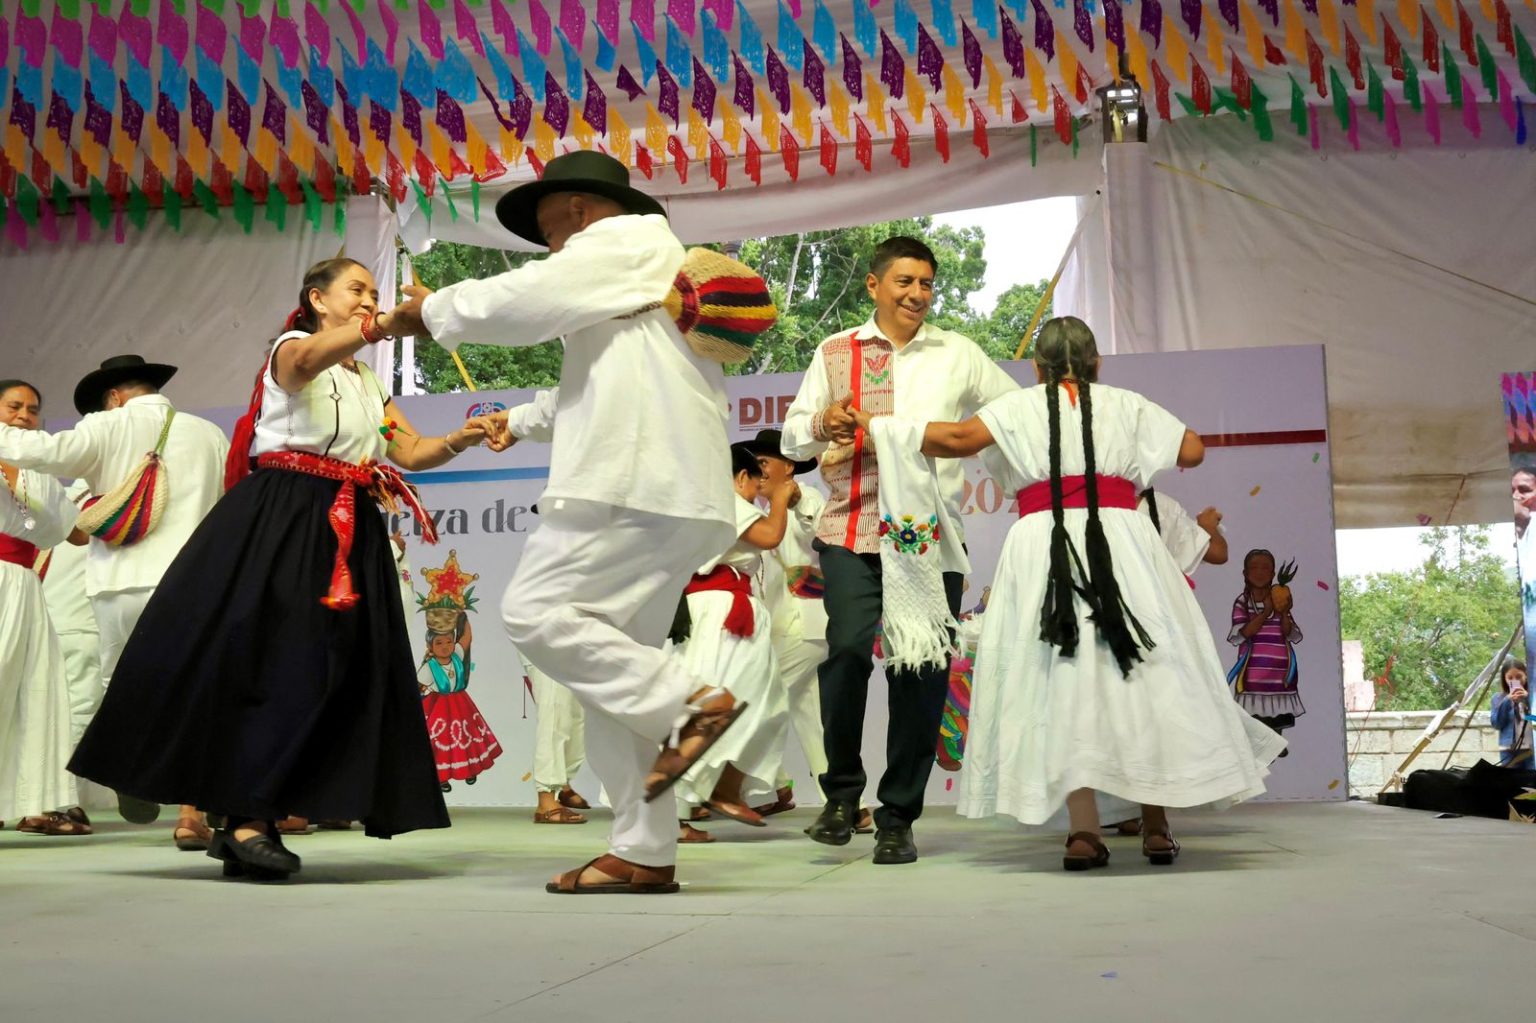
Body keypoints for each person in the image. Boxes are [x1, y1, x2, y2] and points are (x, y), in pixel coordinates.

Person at [386, 151, 747, 895]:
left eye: (548, 223)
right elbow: (593, 387)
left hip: (632, 480)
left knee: (536, 610)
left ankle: (690, 703)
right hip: (666, 484)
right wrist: (515, 421)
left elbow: (528, 297)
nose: (545, 241)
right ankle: (645, 848)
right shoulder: (637, 286)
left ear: (578, 208)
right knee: (612, 671)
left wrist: (429, 312)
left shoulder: (627, 241)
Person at [69, 257, 473, 882]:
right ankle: (246, 818)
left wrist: (466, 436)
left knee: (338, 668)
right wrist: (388, 324)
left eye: (374, 293)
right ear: (318, 299)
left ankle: (250, 814)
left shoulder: (368, 383)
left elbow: (411, 449)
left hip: (348, 526)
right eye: (356, 290)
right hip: (284, 516)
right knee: (276, 660)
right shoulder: (292, 348)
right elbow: (304, 365)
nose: (368, 299)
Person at [855, 316, 1285, 870]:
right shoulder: (1125, 403)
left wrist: (877, 424)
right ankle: (1156, 826)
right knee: (1141, 671)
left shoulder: (1018, 406)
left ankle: (1084, 833)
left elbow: (956, 439)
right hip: (1121, 540)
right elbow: (1193, 450)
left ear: (1036, 368)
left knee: (1063, 677)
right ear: (1096, 364)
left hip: (1046, 545)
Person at [781, 236, 1018, 865]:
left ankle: (899, 816)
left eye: (926, 284)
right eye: (904, 282)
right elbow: (792, 438)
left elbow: (1009, 415)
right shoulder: (836, 353)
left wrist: (998, 460)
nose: (917, 294)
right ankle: (840, 795)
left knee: (922, 672)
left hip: (929, 540)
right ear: (874, 286)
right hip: (851, 528)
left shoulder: (957, 353)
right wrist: (820, 425)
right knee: (849, 648)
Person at [0, 354, 229, 849]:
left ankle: (132, 768)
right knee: (196, 692)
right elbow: (229, 503)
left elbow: (48, 453)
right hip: (190, 582)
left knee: (121, 689)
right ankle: (191, 814)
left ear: (113, 396)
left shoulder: (105, 425)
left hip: (116, 582)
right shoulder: (209, 434)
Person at [673, 443, 793, 831]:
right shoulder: (726, 501)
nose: (758, 495)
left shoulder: (697, 504)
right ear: (741, 477)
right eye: (757, 487)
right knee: (747, 701)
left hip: (713, 606)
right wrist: (779, 500)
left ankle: (693, 804)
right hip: (723, 609)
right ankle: (711, 794)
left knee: (740, 702)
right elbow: (771, 535)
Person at [0, 380, 82, 835]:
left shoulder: (36, 469)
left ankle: (33, 803)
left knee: (29, 693)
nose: (24, 416)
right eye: (14, 406)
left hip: (22, 586)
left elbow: (72, 531)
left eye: (33, 409)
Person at [417, 612, 503, 792]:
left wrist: (462, 615)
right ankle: (441, 778)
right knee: (442, 741)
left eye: (449, 641)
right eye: (439, 643)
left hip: (461, 704)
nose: (445, 646)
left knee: (467, 736)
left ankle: (470, 769)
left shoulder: (457, 653)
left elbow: (467, 637)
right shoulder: (428, 667)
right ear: (430, 646)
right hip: (439, 707)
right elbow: (418, 688)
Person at [1228, 549, 1305, 744]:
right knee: (1255, 717)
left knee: (1278, 716)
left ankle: (1276, 743)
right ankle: (1259, 746)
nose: (1260, 572)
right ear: (1245, 573)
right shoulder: (1243, 602)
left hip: (1280, 672)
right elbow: (1242, 633)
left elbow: (1290, 634)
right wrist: (1265, 613)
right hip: (1253, 672)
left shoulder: (1279, 599)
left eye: (1266, 568)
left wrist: (1285, 612)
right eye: (1254, 568)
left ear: (1272, 574)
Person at [1490, 660, 1530, 767]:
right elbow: (1497, 724)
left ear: (1525, 675)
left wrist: (1528, 699)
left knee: (1531, 781)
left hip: (1531, 748)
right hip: (1509, 750)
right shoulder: (1498, 698)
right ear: (1505, 679)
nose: (1515, 681)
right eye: (1510, 678)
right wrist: (1507, 701)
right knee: (1511, 782)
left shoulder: (1533, 696)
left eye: (1519, 677)